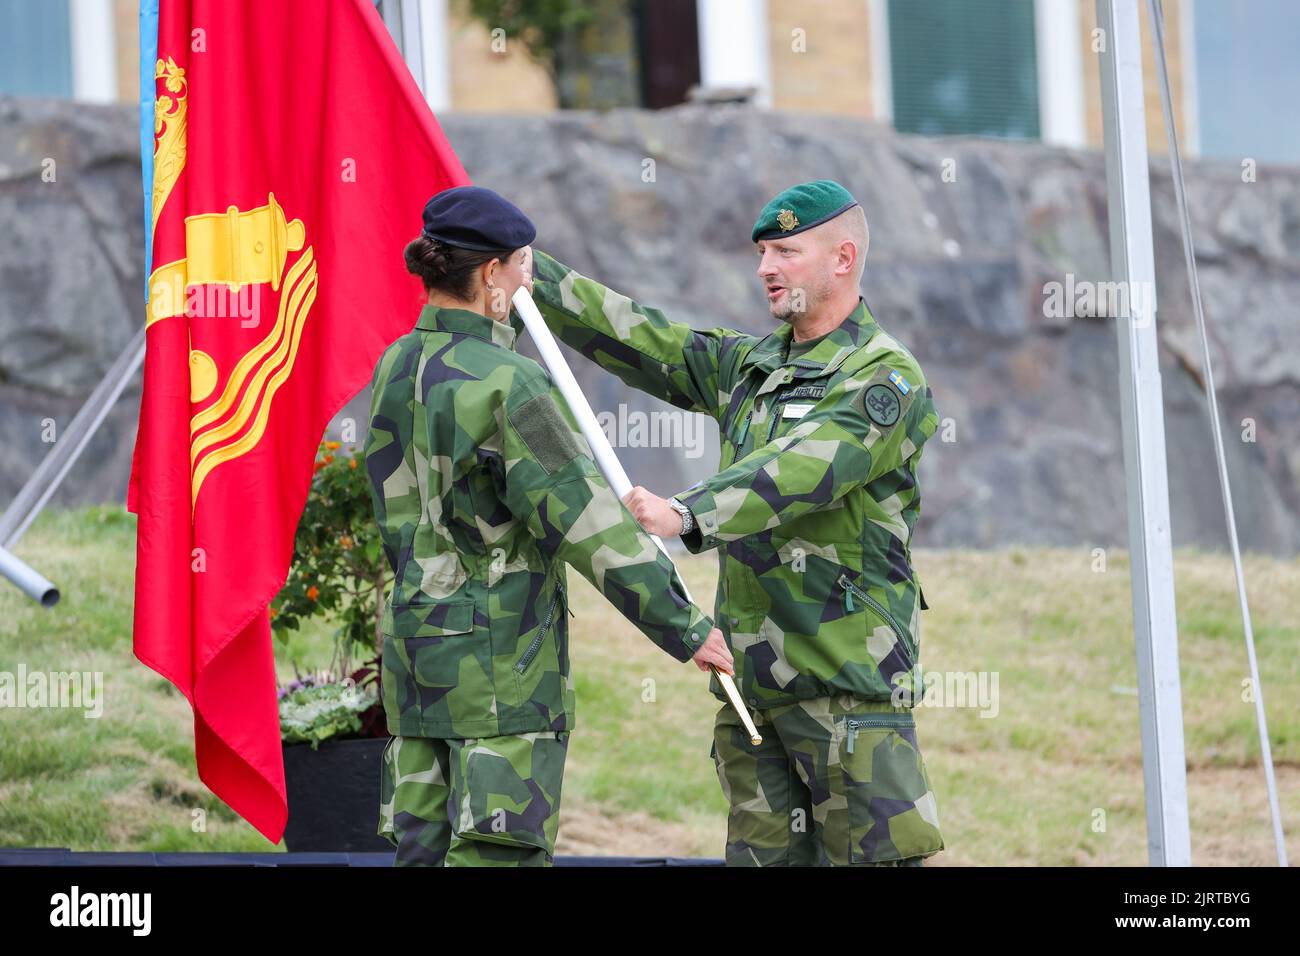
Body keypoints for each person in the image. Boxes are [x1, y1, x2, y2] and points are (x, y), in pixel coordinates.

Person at [529, 180, 944, 866]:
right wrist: (526, 269)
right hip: (754, 689)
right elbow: (639, 335)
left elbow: (803, 469)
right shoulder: (747, 367)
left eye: (785, 250)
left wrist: (688, 514)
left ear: (843, 258)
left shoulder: (883, 379)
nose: (765, 268)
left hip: (848, 695)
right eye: (761, 252)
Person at [364, 185, 732, 867]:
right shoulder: (511, 384)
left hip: (415, 668)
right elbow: (588, 522)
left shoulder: (394, 367)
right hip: (500, 677)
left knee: (421, 856)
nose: (530, 278)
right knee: (497, 855)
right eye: (522, 264)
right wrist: (686, 626)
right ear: (490, 274)